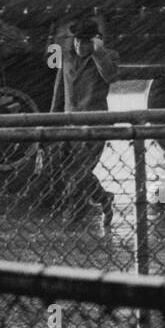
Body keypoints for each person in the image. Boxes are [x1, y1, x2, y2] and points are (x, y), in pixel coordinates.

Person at [47, 18, 118, 226]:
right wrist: (51, 121)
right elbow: (59, 91)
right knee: (71, 170)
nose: (79, 46)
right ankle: (104, 198)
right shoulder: (66, 57)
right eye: (76, 41)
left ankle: (73, 218)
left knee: (77, 174)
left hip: (95, 126)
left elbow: (111, 77)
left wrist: (99, 53)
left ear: (94, 42)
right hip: (70, 125)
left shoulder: (108, 56)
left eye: (84, 42)